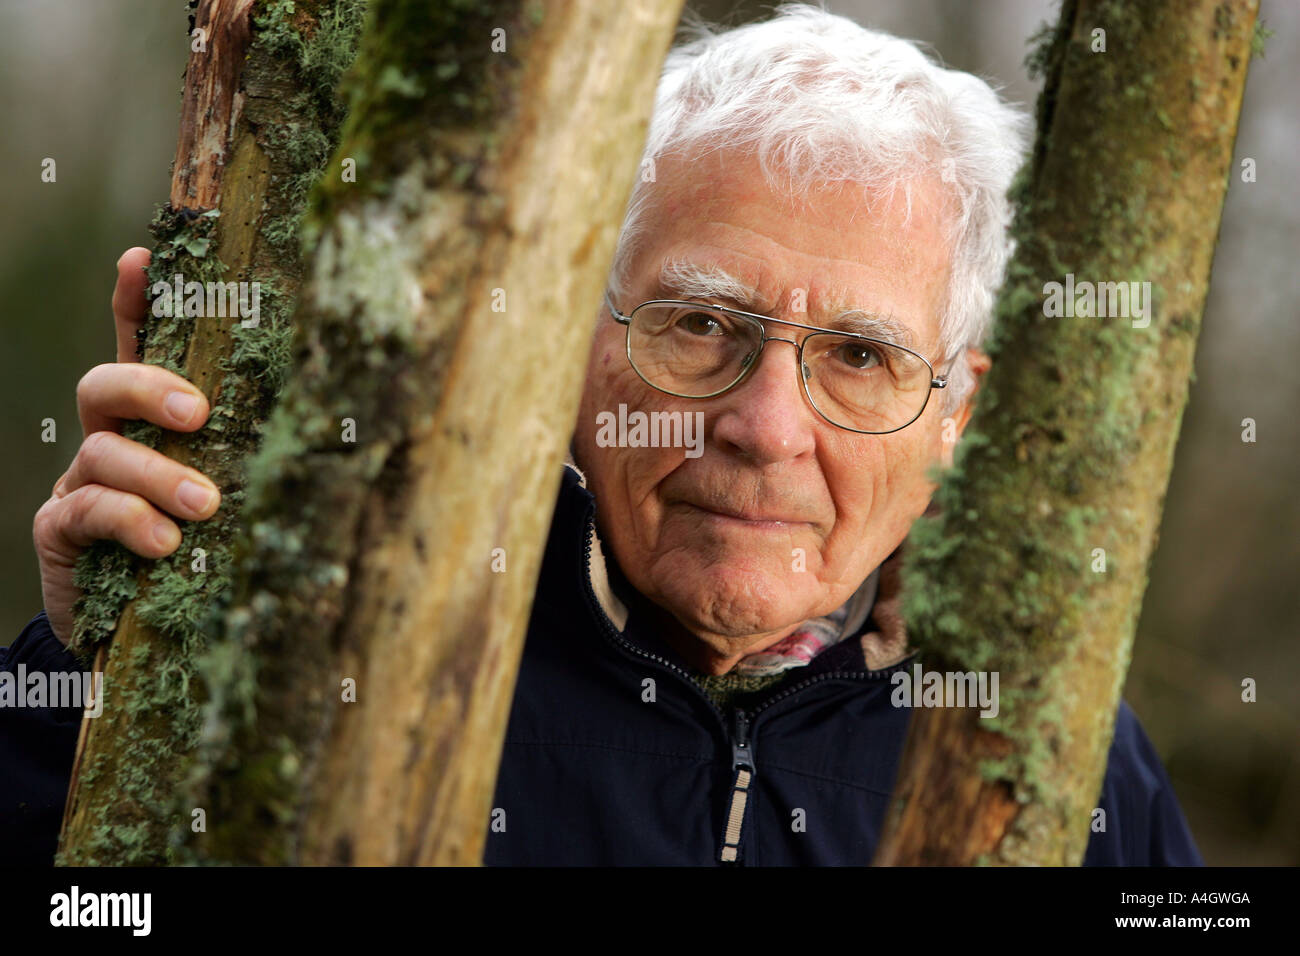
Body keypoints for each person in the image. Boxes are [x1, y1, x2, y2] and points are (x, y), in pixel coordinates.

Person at [3, 4, 1202, 866]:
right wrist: (94, 667)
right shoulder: (346, 617)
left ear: (960, 413)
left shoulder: (1056, 750)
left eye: (861, 355)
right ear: (573, 334)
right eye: (697, 323)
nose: (766, 427)